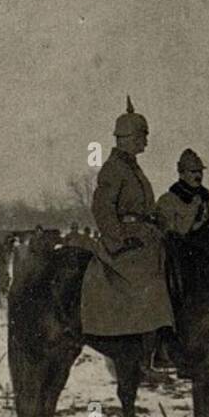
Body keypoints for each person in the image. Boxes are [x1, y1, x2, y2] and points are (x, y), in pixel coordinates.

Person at [80, 98, 175, 366]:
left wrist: (158, 221)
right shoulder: (114, 169)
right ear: (125, 139)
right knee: (153, 277)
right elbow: (102, 210)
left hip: (144, 236)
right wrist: (121, 238)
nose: (145, 141)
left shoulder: (133, 168)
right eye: (141, 136)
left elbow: (142, 207)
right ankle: (150, 344)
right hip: (125, 245)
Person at [156, 148, 209, 236]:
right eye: (193, 172)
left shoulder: (206, 197)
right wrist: (194, 206)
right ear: (182, 174)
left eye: (200, 171)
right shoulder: (167, 200)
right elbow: (169, 234)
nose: (198, 175)